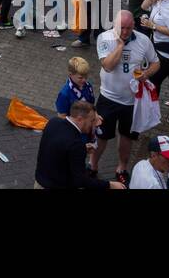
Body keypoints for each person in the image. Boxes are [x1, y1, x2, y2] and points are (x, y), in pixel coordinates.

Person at [92, 10, 158, 186]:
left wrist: (146, 73)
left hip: (131, 101)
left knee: (127, 137)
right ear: (115, 25)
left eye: (129, 28)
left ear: (134, 26)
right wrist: (120, 46)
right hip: (108, 98)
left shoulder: (143, 40)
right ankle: (93, 166)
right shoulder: (105, 38)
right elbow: (107, 66)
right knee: (101, 136)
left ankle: (121, 168)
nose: (125, 32)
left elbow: (156, 62)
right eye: (122, 28)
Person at [34, 101, 122, 190]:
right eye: (92, 121)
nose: (93, 125)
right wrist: (109, 185)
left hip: (39, 182)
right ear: (80, 119)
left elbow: (57, 148)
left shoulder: (53, 122)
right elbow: (80, 180)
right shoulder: (76, 144)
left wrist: (82, 149)